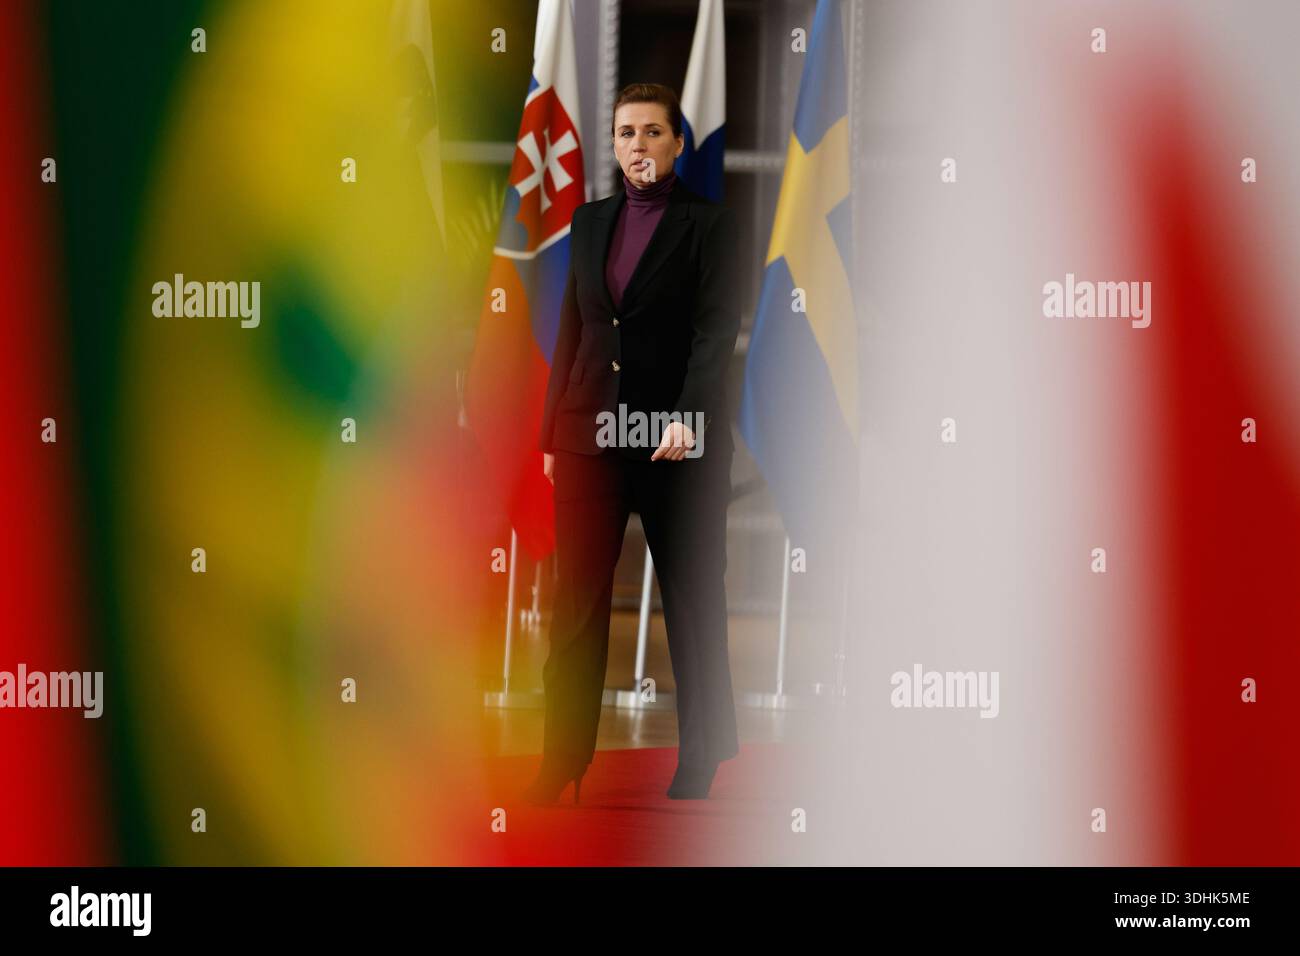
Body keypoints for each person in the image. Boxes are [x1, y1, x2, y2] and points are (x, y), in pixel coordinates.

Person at [523, 82, 742, 804]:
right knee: (575, 605)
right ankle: (563, 755)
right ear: (612, 144)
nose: (637, 145)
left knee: (691, 598)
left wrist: (688, 416)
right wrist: (555, 431)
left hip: (676, 439)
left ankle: (703, 752)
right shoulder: (589, 223)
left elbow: (715, 337)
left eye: (652, 132)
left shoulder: (710, 226)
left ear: (677, 144)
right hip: (590, 434)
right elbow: (574, 330)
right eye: (625, 133)